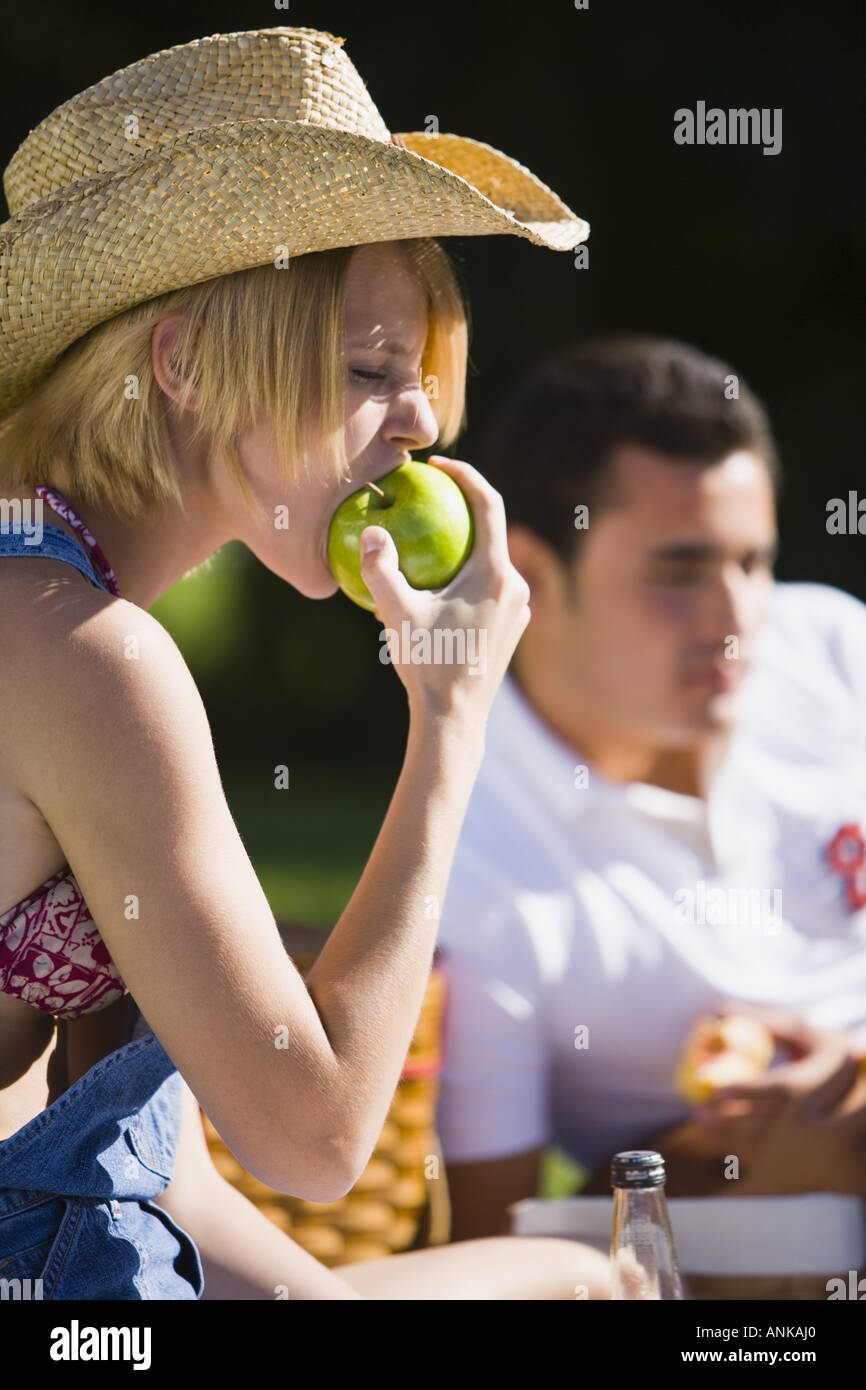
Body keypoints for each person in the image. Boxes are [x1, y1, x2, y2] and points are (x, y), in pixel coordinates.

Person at [0, 26, 612, 1300]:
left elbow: (142, 1158)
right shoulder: (88, 659)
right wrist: (449, 724)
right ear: (184, 362)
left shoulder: (48, 601)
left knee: (579, 1275)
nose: (426, 421)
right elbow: (320, 1136)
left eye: (424, 375)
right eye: (370, 368)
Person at [433, 334, 866, 1241]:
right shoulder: (469, 873)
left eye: (753, 562)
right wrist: (752, 1153)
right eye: (680, 572)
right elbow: (489, 1250)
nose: (741, 619)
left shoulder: (836, 653)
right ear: (530, 577)